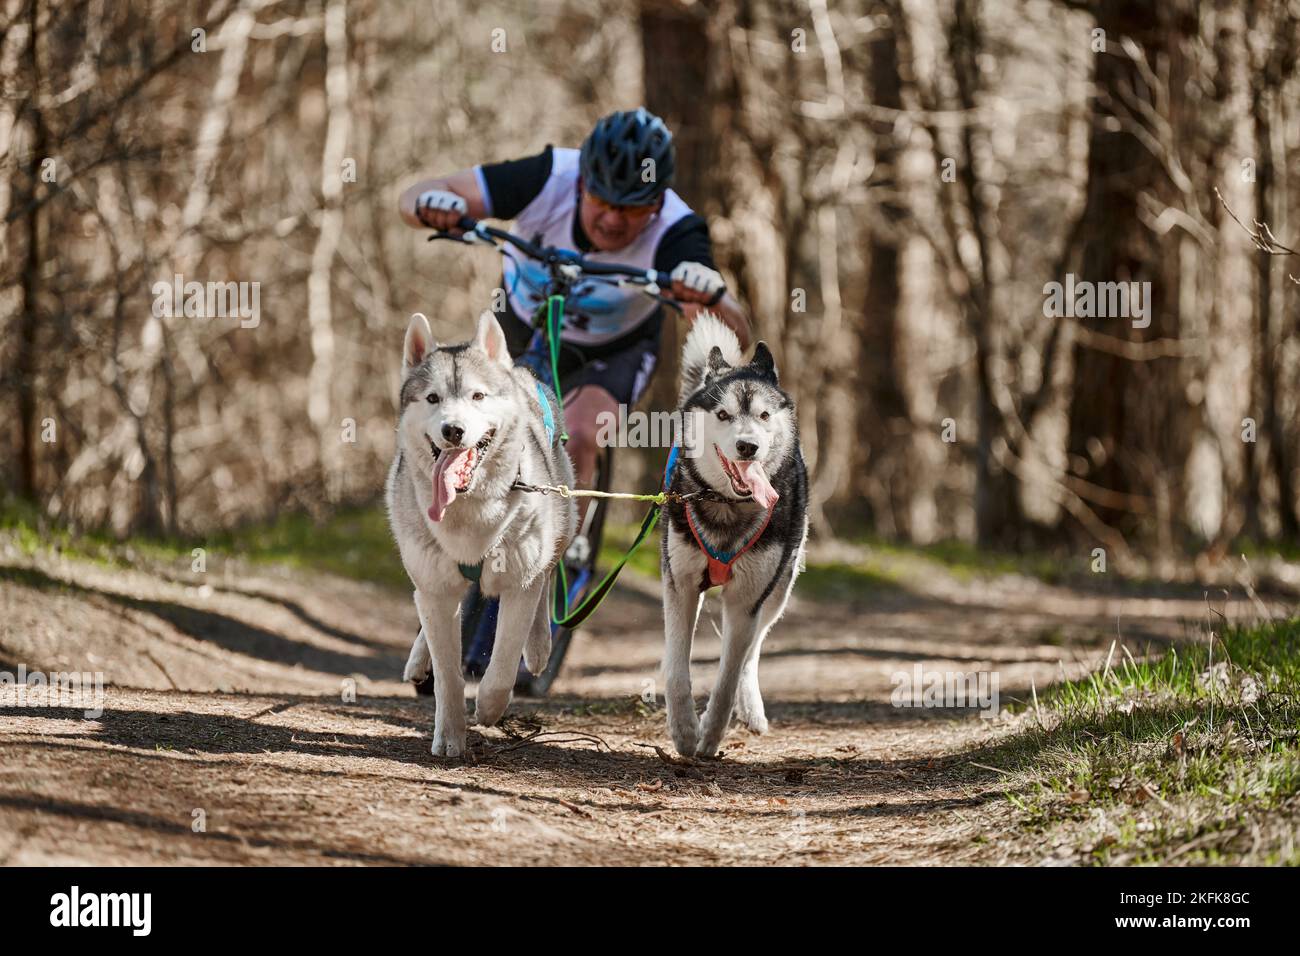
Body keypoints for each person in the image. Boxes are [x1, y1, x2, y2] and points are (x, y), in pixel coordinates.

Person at [399, 108, 752, 528]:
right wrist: (435, 204)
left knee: (582, 434)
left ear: (656, 203)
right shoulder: (547, 177)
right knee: (484, 416)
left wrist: (706, 293)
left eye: (632, 209)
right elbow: (413, 198)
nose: (613, 219)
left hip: (616, 349)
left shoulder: (678, 230)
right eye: (602, 200)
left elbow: (735, 334)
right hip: (522, 320)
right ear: (582, 184)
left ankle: (557, 553)